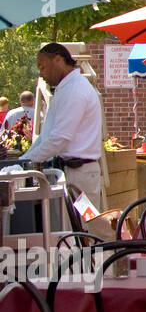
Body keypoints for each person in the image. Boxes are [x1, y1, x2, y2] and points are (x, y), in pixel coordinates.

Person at [19, 44, 107, 213]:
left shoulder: (75, 90)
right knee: (70, 230)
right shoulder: (66, 89)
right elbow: (47, 137)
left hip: (78, 176)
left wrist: (25, 161)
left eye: (42, 66)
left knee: (79, 231)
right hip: (71, 172)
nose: (41, 73)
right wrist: (25, 159)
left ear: (58, 60)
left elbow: (59, 138)